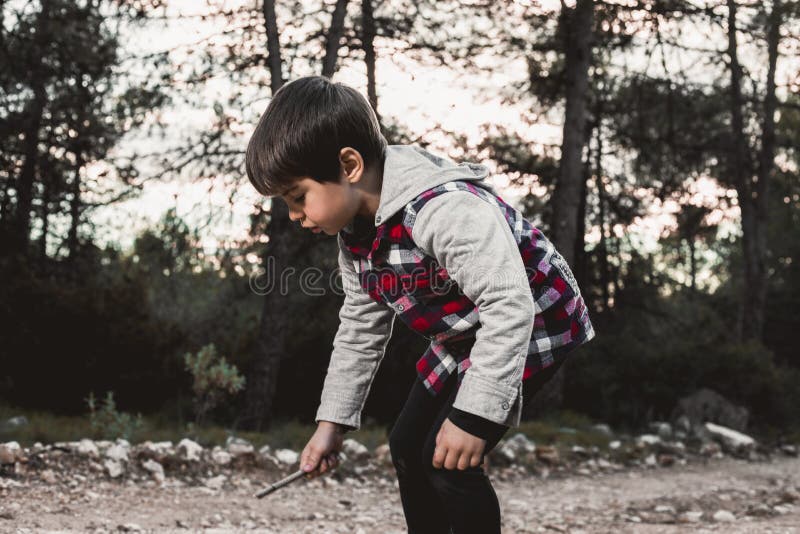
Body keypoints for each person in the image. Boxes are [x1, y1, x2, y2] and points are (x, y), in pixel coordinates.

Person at [245, 75, 596, 534]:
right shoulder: (355, 239)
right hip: (466, 331)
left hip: (534, 318)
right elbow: (359, 330)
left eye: (298, 197)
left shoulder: (443, 210)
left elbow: (510, 304)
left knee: (449, 461)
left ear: (348, 165)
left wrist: (474, 415)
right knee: (408, 446)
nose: (294, 214)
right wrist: (331, 424)